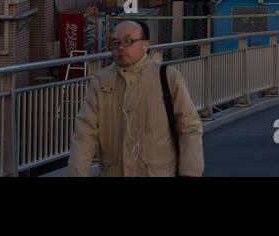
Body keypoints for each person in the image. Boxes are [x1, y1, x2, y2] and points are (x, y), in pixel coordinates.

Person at [68, 20, 203, 176]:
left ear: (146, 45)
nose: (120, 47)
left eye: (128, 41)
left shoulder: (167, 77)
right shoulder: (101, 81)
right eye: (115, 42)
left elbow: (189, 128)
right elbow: (84, 135)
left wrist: (190, 173)